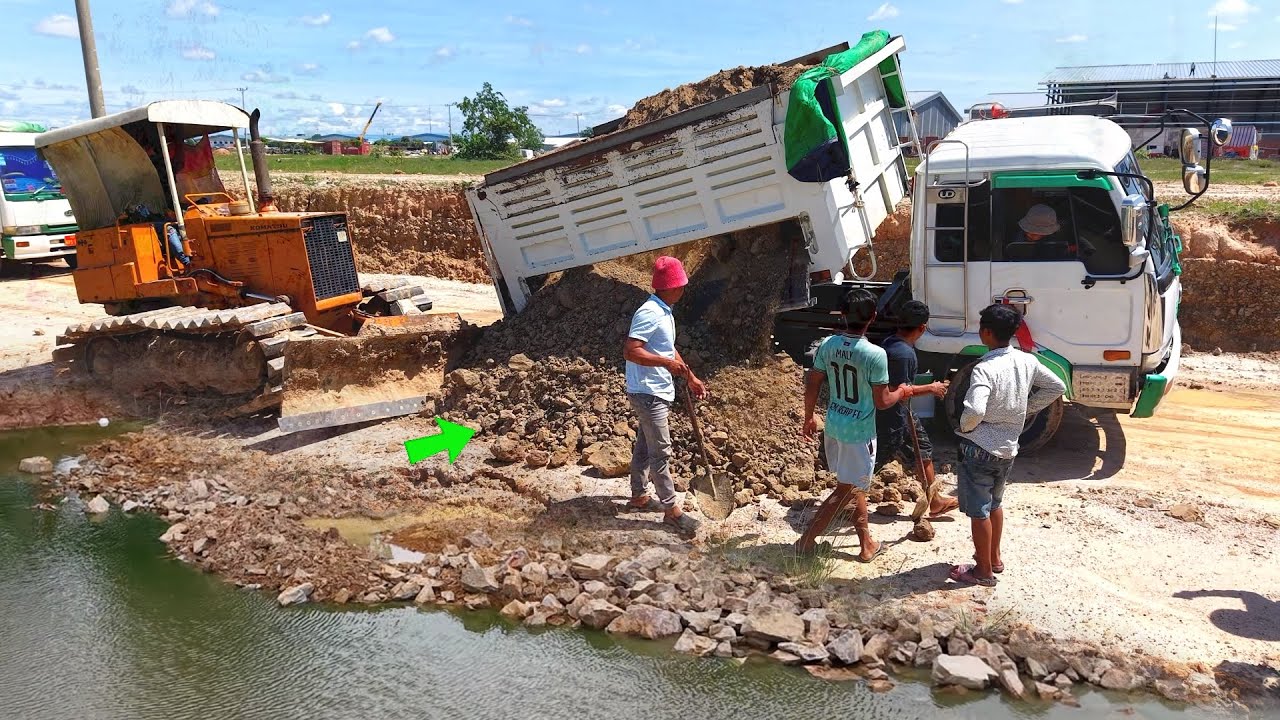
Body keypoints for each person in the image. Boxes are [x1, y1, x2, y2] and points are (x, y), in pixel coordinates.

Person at [948, 304, 1066, 587]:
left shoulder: (984, 368)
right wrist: (1027, 408)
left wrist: (964, 427)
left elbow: (975, 410)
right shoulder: (1027, 361)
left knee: (979, 512)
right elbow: (1057, 386)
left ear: (985, 332)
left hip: (978, 449)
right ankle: (995, 559)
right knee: (995, 505)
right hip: (1008, 448)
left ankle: (983, 572)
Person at [796, 289, 914, 561]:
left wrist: (809, 416)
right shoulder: (875, 354)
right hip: (859, 433)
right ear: (873, 317)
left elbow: (813, 381)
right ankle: (806, 540)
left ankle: (866, 544)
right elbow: (883, 401)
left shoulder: (828, 344)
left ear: (844, 315)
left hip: (835, 425)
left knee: (854, 485)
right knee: (845, 489)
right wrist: (903, 392)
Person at [622, 256, 706, 536]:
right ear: (670, 287)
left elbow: (668, 349)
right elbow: (631, 350)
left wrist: (689, 375)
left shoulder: (665, 311)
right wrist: (666, 364)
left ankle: (638, 494)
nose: (683, 289)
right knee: (661, 452)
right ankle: (671, 511)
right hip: (648, 392)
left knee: (645, 445)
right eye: (680, 284)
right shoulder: (649, 313)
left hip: (655, 389)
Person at [875, 300, 958, 519]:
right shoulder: (903, 354)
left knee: (922, 451)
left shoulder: (890, 343)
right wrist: (932, 387)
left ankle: (936, 500)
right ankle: (845, 498)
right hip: (895, 415)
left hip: (901, 413)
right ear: (922, 327)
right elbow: (897, 390)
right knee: (878, 459)